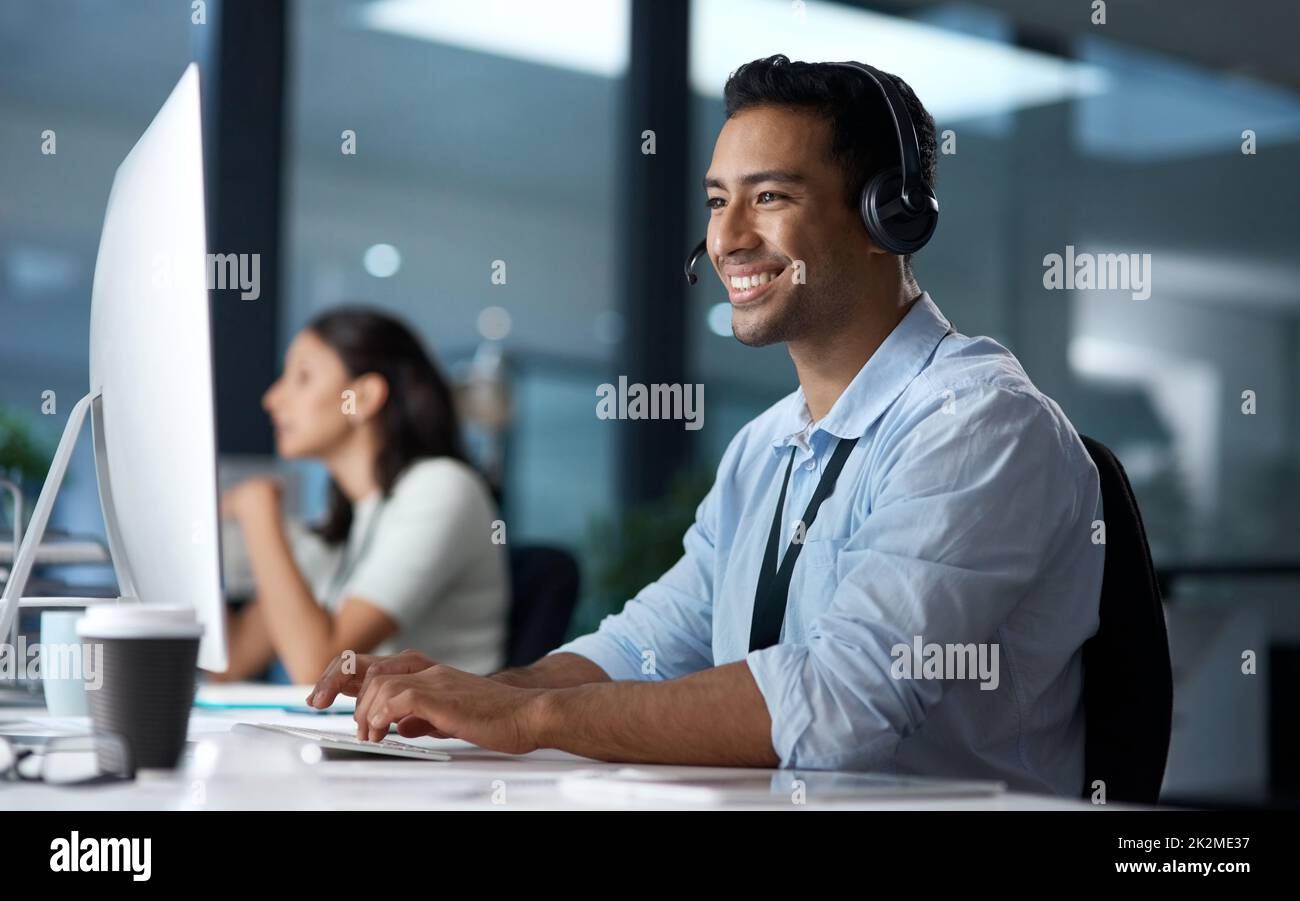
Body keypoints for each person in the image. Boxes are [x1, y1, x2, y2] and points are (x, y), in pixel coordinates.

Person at [307, 56, 1103, 796]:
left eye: (770, 196)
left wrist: (526, 720)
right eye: (719, 200)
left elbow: (837, 706)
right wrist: (475, 693)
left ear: (884, 216)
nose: (727, 238)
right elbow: (644, 645)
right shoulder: (768, 446)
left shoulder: (979, 424)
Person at [216, 307, 508, 684]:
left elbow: (317, 666)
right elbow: (233, 660)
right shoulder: (348, 520)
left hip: (425, 739)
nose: (272, 399)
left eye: (302, 378)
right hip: (364, 735)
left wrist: (258, 511)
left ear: (364, 397)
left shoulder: (442, 489)